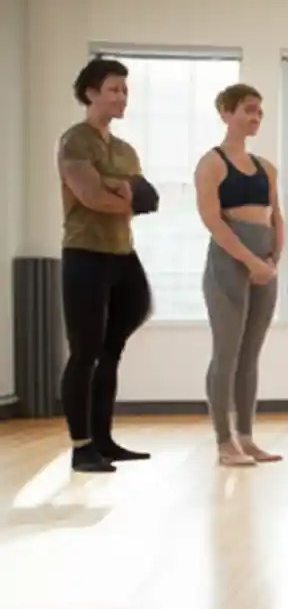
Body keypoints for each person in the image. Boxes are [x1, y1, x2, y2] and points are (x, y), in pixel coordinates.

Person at [56, 57, 154, 473]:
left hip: (121, 253)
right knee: (85, 351)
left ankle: (104, 439)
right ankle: (82, 447)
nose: (121, 96)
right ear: (91, 92)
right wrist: (121, 191)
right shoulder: (75, 141)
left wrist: (115, 186)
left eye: (125, 90)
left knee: (113, 345)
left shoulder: (124, 148)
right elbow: (89, 197)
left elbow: (147, 199)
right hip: (85, 254)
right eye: (114, 89)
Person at [194, 83, 285, 467]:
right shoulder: (212, 163)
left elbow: (276, 216)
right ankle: (223, 441)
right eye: (248, 110)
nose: (255, 117)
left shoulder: (266, 168)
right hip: (229, 264)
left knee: (251, 356)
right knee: (226, 354)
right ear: (226, 113)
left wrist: (273, 261)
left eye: (259, 112)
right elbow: (213, 221)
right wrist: (250, 261)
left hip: (264, 265)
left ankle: (246, 436)